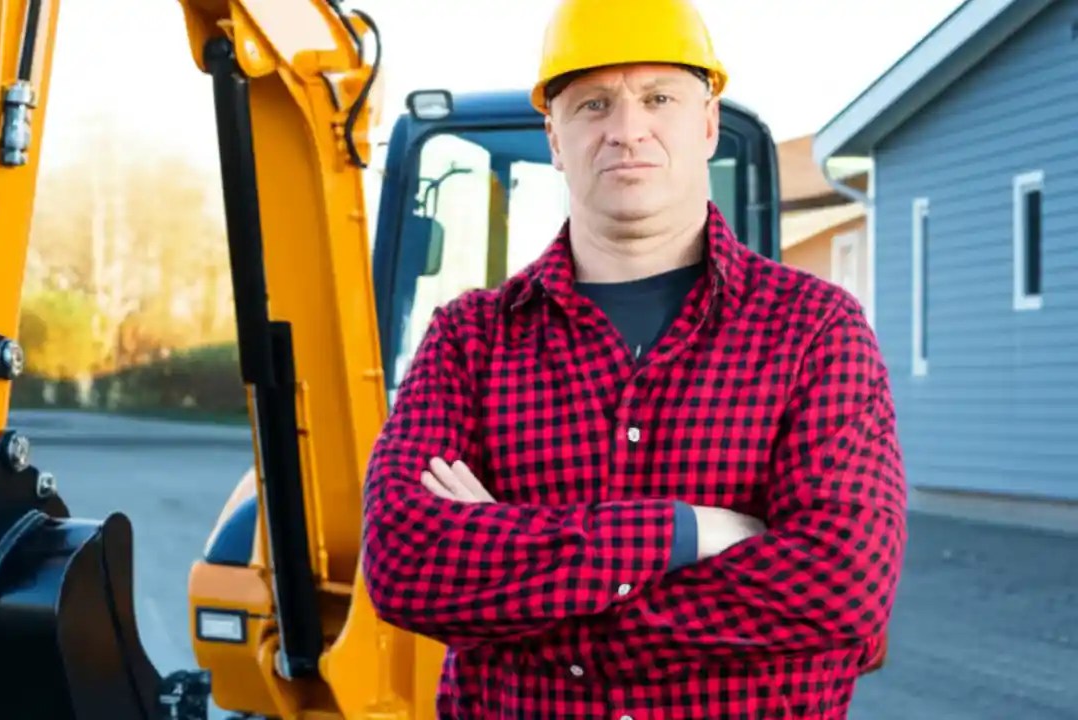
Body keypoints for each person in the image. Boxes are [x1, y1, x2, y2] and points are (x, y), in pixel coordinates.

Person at [359, 0, 908, 717]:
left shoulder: (814, 332)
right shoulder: (469, 341)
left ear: (707, 124)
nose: (626, 131)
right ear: (554, 137)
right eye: (592, 104)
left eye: (658, 98)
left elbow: (843, 586)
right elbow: (407, 565)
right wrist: (688, 532)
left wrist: (524, 596)